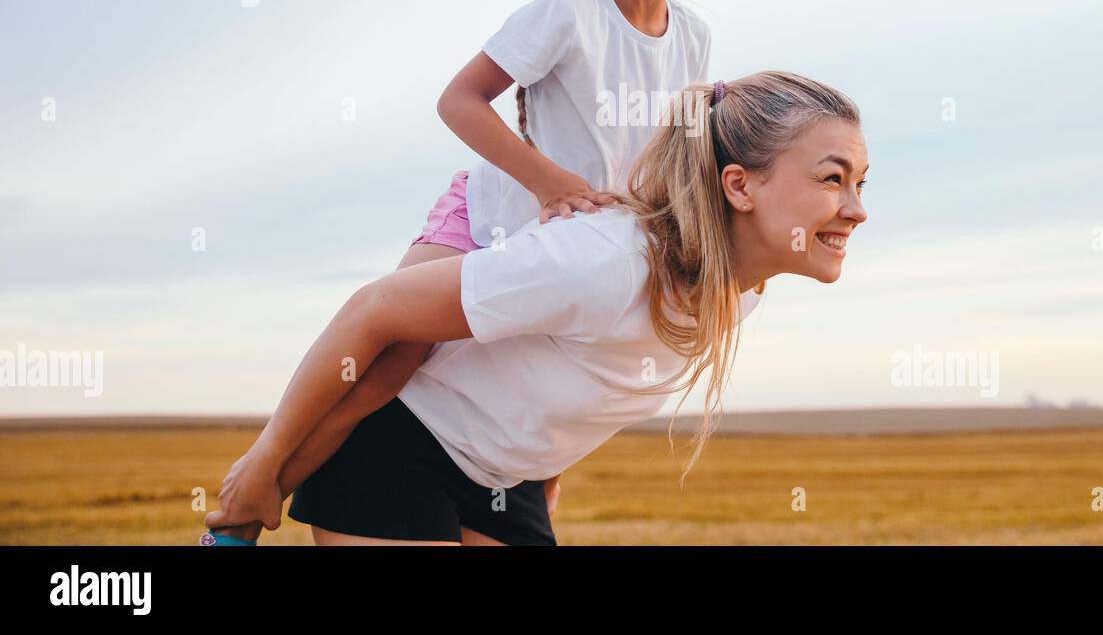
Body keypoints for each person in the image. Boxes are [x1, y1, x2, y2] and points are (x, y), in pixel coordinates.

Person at [203, 71, 868, 545]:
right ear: (739, 186)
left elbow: (586, 375)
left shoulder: (738, 297)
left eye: (860, 183)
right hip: (397, 448)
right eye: (832, 178)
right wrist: (262, 469)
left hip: (503, 483)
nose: (857, 209)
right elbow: (375, 308)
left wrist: (543, 469)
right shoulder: (607, 260)